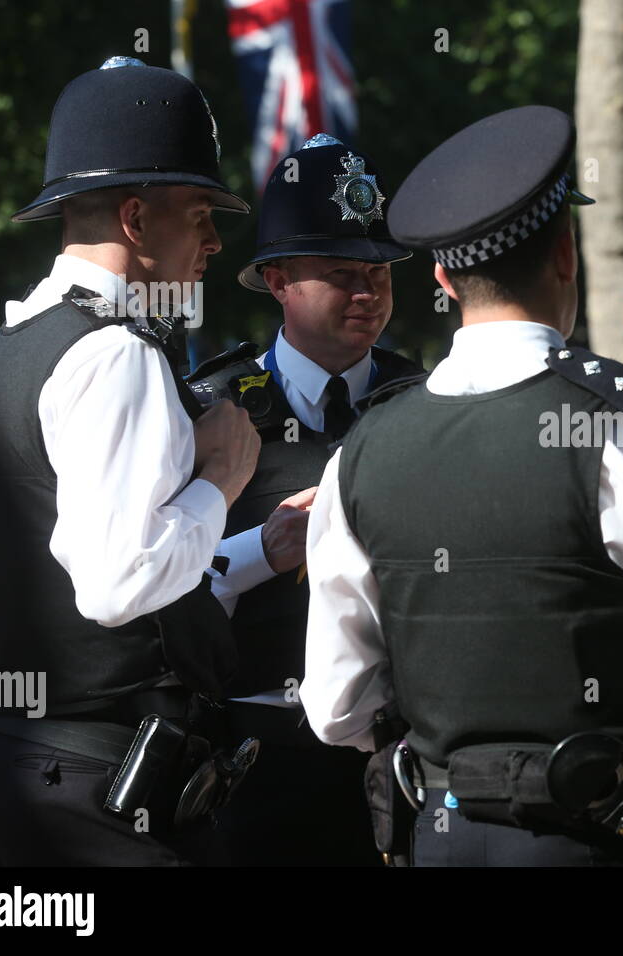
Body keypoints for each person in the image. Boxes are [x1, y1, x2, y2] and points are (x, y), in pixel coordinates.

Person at [299, 105, 623, 867]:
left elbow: (336, 707)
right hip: (604, 836)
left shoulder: (362, 451)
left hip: (438, 836)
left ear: (440, 275)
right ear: (566, 253)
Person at [0, 57, 260, 866]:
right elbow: (119, 584)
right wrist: (219, 483)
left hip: (8, 773)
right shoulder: (117, 352)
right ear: (134, 218)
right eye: (198, 214)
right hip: (103, 802)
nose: (215, 242)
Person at [189, 134, 424, 865]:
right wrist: (262, 550)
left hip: (399, 755)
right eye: (340, 273)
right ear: (279, 278)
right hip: (256, 761)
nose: (368, 292)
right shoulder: (210, 411)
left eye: (378, 271)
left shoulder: (426, 404)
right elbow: (152, 590)